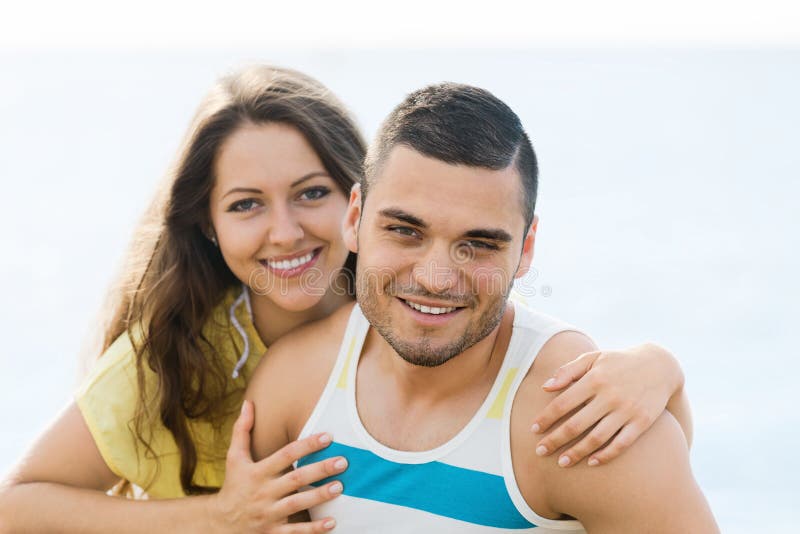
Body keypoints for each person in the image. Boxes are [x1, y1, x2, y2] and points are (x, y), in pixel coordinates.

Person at [0, 66, 689, 533]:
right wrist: (217, 518)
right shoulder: (208, 362)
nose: (285, 232)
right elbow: (18, 505)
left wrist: (662, 371)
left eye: (310, 194)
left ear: (349, 204)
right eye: (246, 205)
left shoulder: (548, 397)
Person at [245, 82, 718, 532]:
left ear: (526, 248)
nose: (435, 278)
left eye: (479, 243)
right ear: (355, 217)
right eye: (405, 231)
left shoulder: (583, 421)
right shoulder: (296, 383)